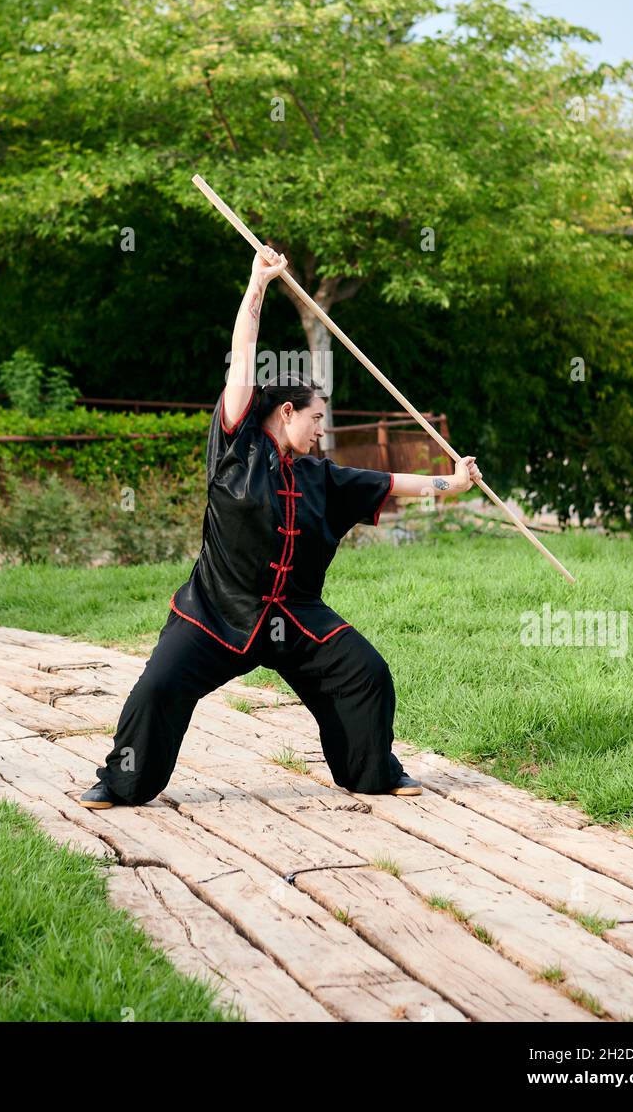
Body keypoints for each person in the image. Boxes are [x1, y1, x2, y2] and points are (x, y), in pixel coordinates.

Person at [79, 247, 480, 808]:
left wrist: (452, 483)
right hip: (215, 611)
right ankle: (123, 783)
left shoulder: (322, 478)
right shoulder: (233, 450)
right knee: (159, 687)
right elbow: (243, 356)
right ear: (286, 412)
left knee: (365, 672)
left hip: (294, 617)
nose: (322, 429)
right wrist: (258, 283)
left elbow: (390, 481)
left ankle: (371, 771)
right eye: (316, 417)